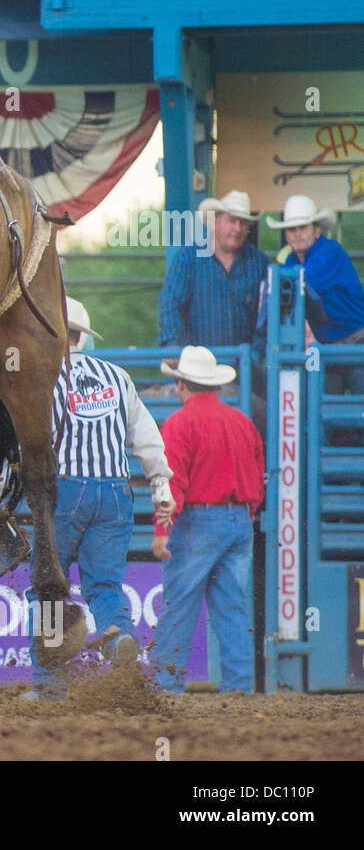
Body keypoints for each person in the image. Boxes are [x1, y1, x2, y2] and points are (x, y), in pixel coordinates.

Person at [23, 298, 175, 700]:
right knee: (105, 584)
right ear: (82, 338)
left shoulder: (40, 376)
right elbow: (146, 438)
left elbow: (25, 441)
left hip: (65, 490)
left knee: (46, 587)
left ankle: (49, 685)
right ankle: (119, 637)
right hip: (116, 492)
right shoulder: (118, 376)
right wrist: (161, 486)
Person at [151, 346, 264, 694]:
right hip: (239, 520)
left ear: (182, 384)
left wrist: (161, 531)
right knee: (231, 607)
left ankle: (167, 687)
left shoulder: (179, 424)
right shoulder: (242, 422)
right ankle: (240, 688)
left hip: (198, 521)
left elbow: (173, 483)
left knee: (179, 606)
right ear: (214, 386)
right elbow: (258, 475)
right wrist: (246, 512)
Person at [266, 195, 364, 395]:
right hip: (327, 348)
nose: (297, 234)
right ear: (286, 234)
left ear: (317, 230)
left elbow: (302, 281)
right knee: (322, 406)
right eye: (292, 229)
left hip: (357, 342)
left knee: (356, 407)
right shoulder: (292, 262)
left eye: (303, 228)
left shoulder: (330, 252)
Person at [158, 190, 267, 348]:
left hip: (245, 364)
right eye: (231, 221)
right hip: (198, 363)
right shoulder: (188, 258)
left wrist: (258, 353)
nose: (238, 228)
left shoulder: (258, 262)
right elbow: (170, 303)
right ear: (215, 221)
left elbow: (267, 314)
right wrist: (173, 343)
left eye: (243, 223)